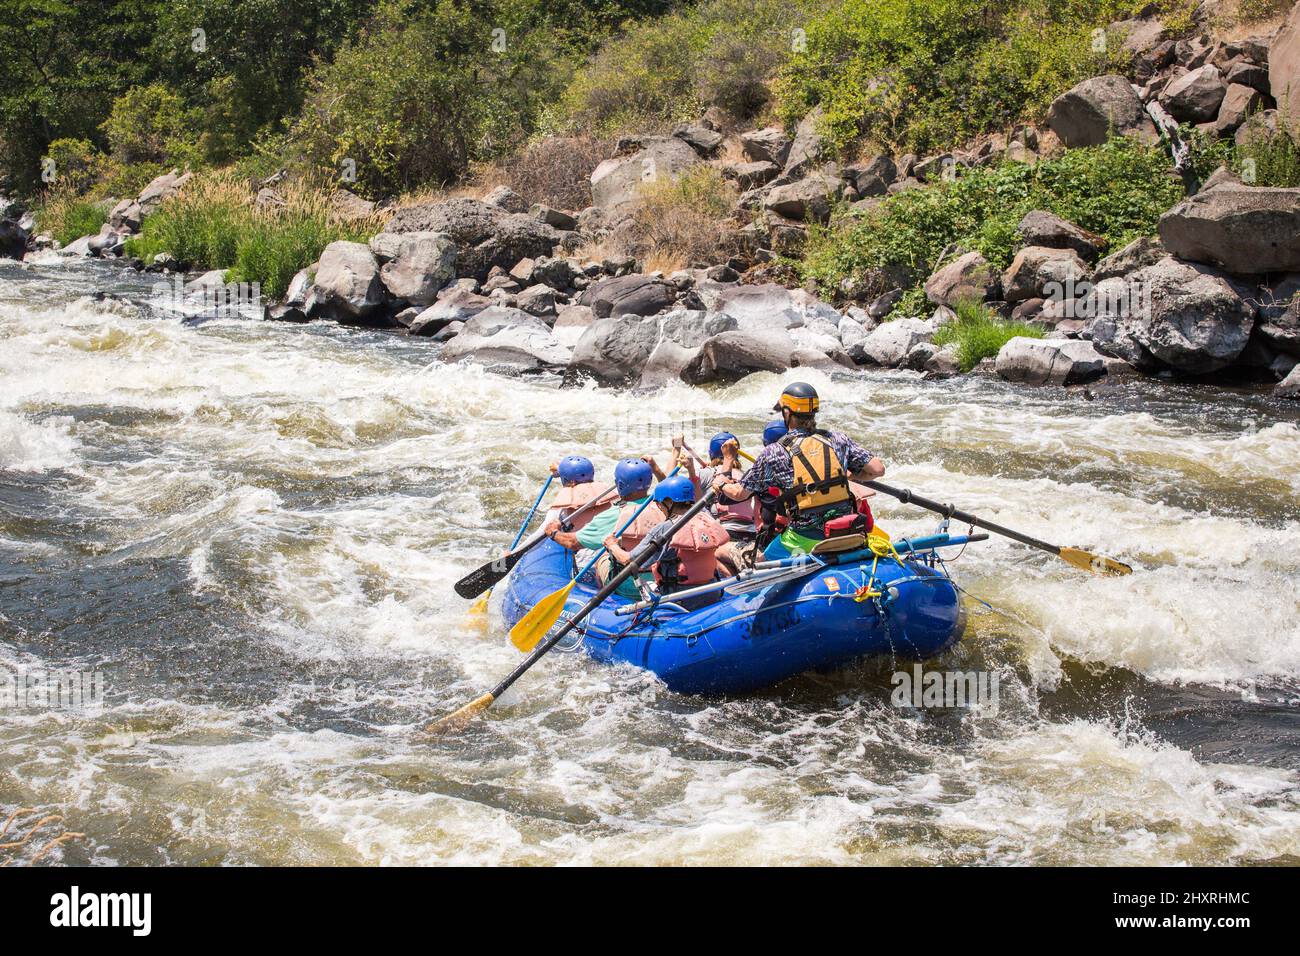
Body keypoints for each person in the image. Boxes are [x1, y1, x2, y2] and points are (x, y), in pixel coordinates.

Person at [710, 382, 885, 559]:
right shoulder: (837, 439)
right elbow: (877, 470)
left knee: (760, 564)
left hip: (803, 539)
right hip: (847, 530)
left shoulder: (775, 452)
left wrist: (721, 484)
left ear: (787, 413)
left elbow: (739, 493)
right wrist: (848, 475)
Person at [607, 474, 729, 609]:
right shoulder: (706, 518)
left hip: (680, 600)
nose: (660, 508)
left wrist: (611, 545)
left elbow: (629, 561)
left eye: (660, 504)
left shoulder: (664, 529)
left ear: (669, 502)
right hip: (713, 592)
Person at [696, 432, 757, 574]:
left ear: (711, 454)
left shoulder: (706, 473)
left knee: (706, 554)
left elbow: (678, 493)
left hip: (724, 533)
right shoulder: (746, 474)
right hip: (751, 532)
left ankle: (729, 582)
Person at [540, 455, 612, 536]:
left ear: (567, 480)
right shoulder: (605, 493)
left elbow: (539, 534)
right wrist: (561, 469)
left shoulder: (558, 510)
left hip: (578, 544)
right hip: (605, 538)